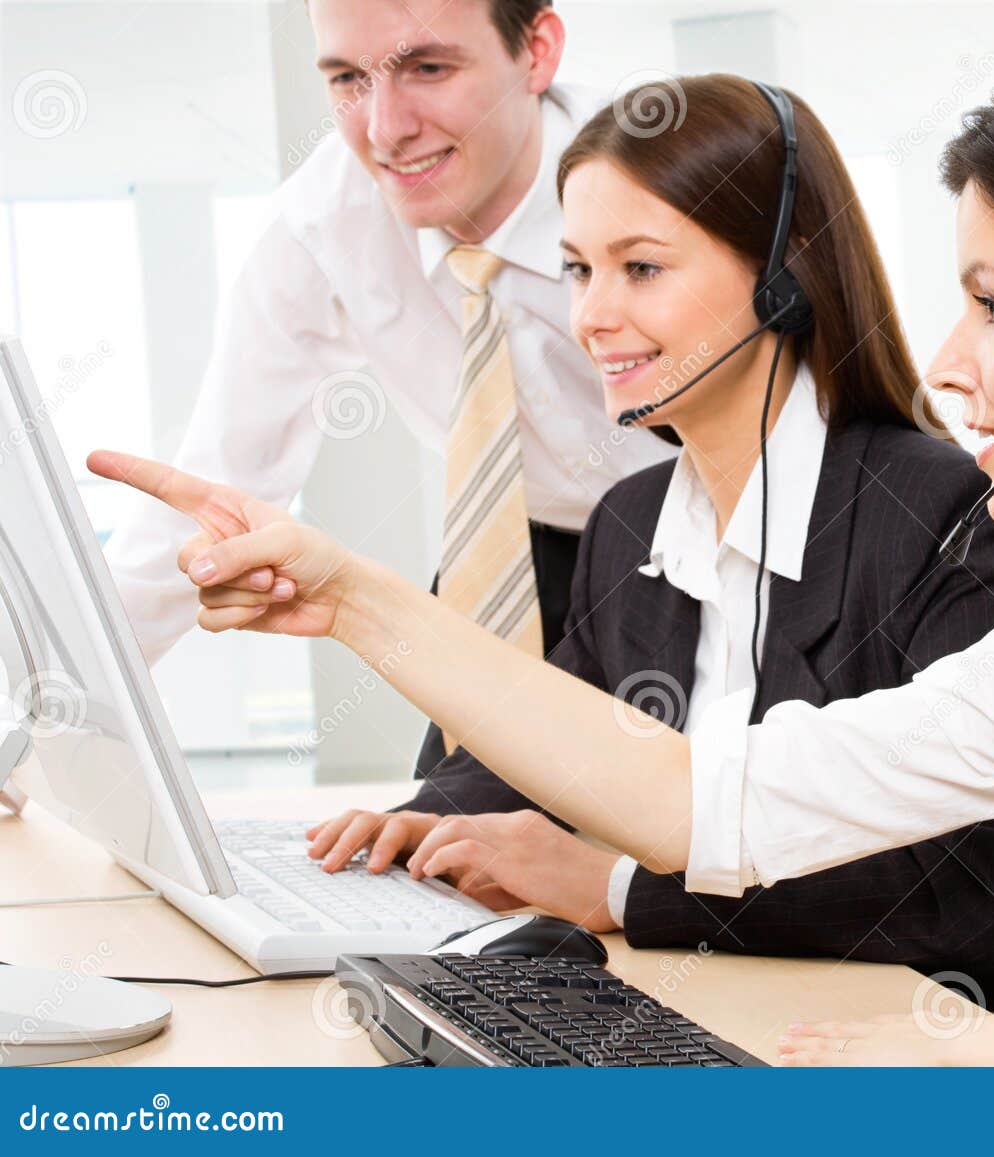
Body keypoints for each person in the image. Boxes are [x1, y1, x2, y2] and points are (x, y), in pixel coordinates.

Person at [89, 59, 994, 1066]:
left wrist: (959, 1062)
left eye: (991, 304)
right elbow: (696, 795)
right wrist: (353, 599)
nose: (951, 365)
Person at [290, 76, 994, 1015]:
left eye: (641, 269)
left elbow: (961, 893)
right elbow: (540, 732)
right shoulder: (627, 523)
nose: (592, 316)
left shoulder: (932, 506)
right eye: (578, 269)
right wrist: (420, 824)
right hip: (684, 1012)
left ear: (784, 275)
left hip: (878, 1046)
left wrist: (618, 888)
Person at [101, 0, 672, 776]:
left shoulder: (665, 182)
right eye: (346, 78)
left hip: (699, 539)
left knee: (683, 845)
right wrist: (53, 708)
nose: (383, 129)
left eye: (427, 68)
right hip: (509, 549)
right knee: (446, 842)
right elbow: (217, 481)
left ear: (536, 51)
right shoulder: (324, 223)